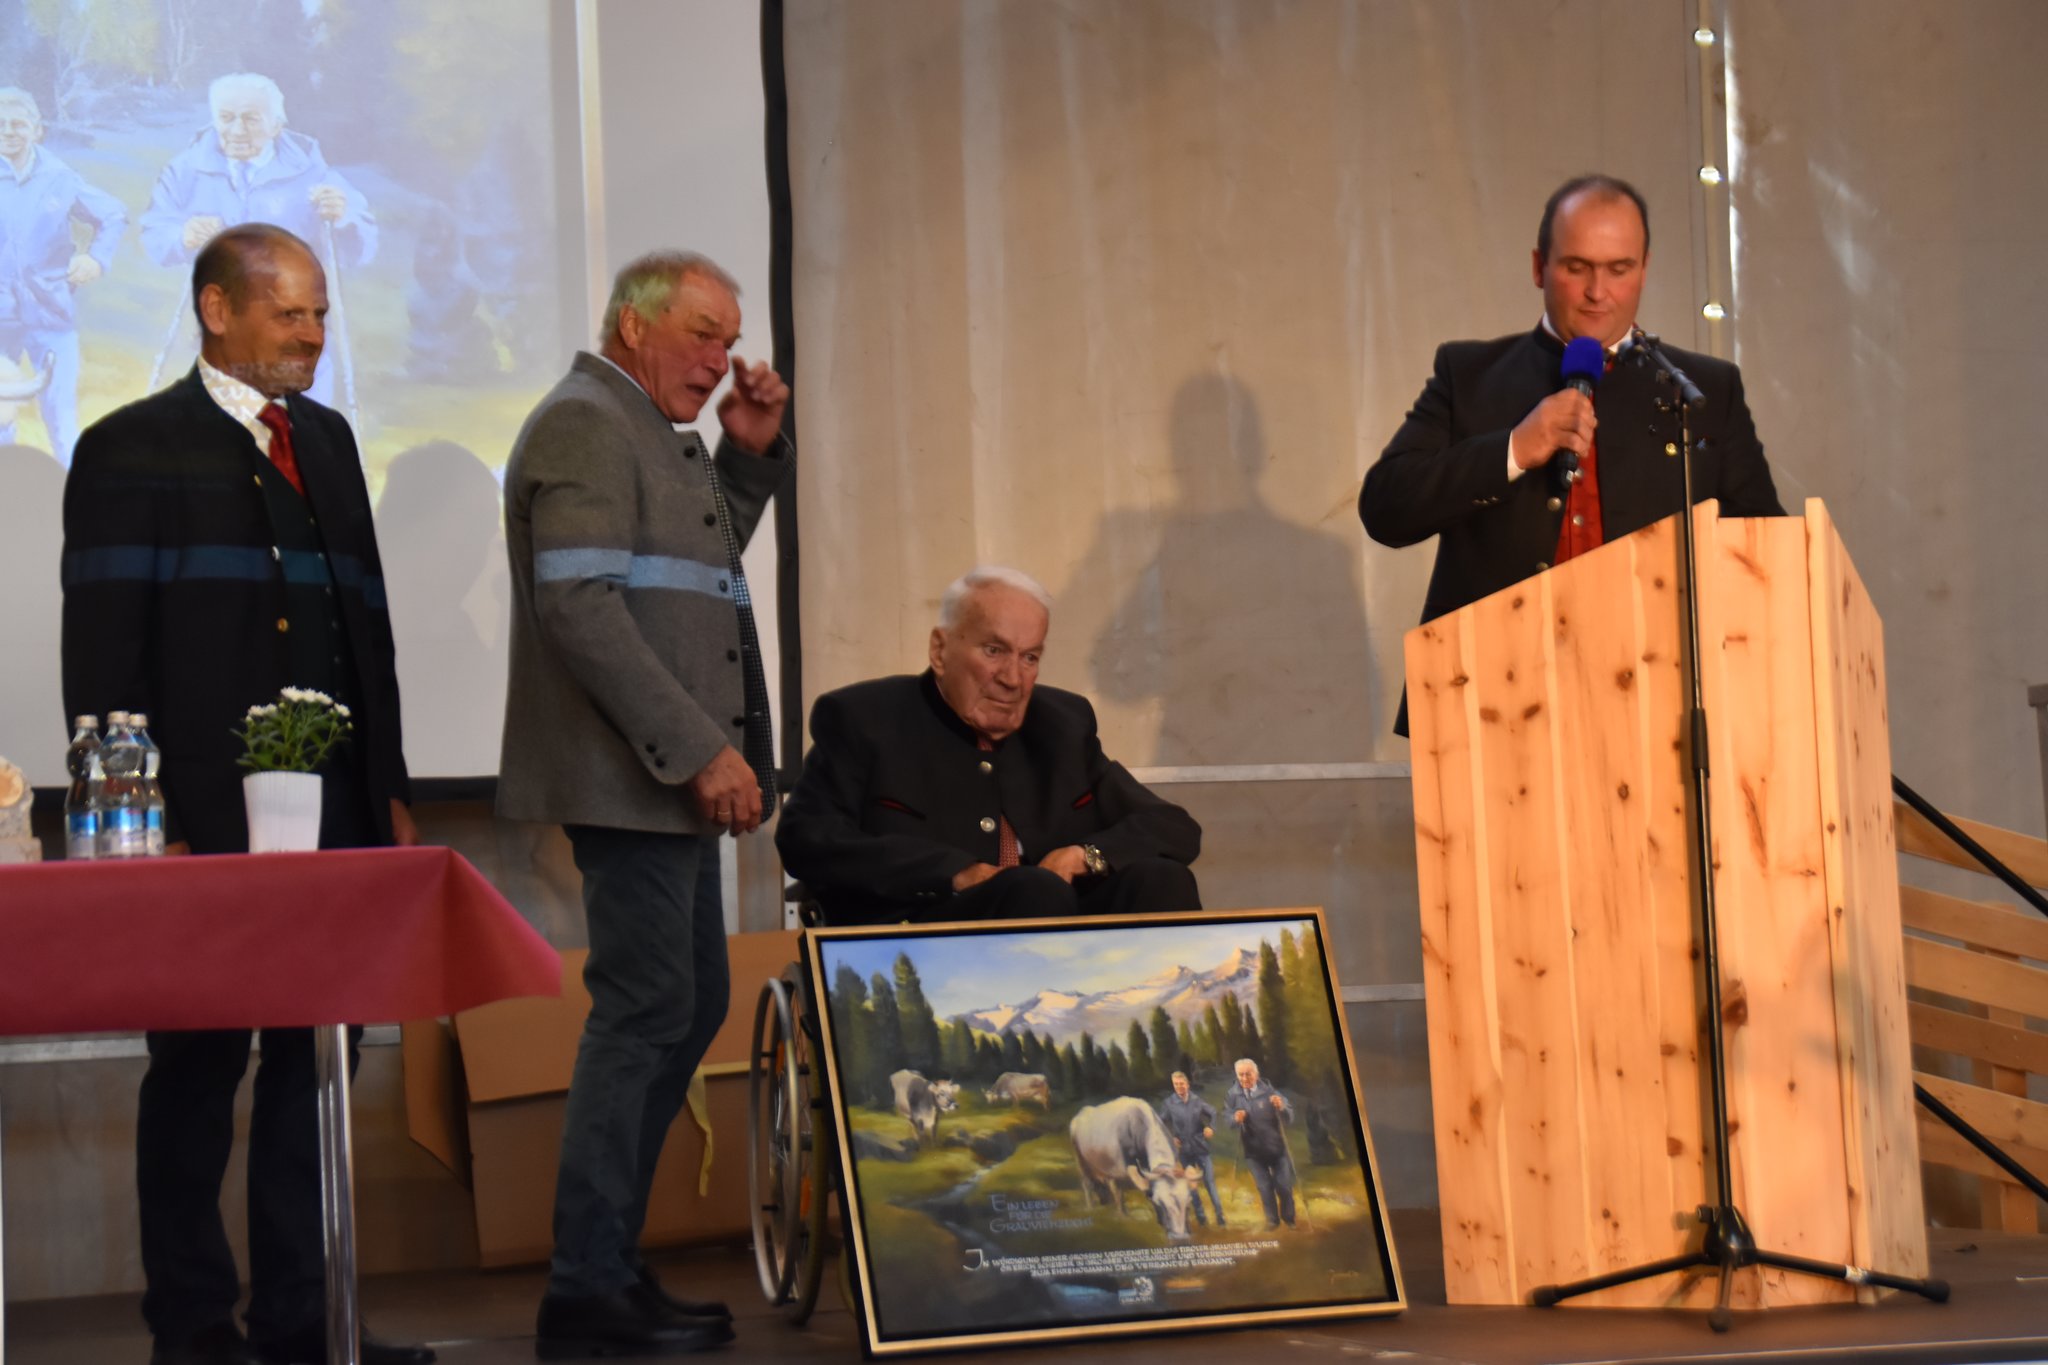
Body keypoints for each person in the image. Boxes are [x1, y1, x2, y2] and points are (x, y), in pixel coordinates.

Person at [59, 223, 425, 1365]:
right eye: (291, 314)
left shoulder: (328, 437)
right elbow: (104, 655)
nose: (314, 335)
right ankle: (191, 1329)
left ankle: (303, 1324)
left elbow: (366, 631)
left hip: (339, 823)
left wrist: (392, 790)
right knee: (199, 1068)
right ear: (218, 310)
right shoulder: (129, 447)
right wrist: (132, 821)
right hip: (198, 829)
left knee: (317, 1065)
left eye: (321, 314)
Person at [498, 249, 790, 1358]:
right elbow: (578, 606)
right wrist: (698, 749)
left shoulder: (642, 430)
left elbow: (687, 577)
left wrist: (747, 464)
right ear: (631, 324)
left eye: (727, 340)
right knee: (643, 1014)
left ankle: (608, 1268)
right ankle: (583, 1292)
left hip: (656, 781)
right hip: (629, 778)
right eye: (701, 335)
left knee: (682, 1005)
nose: (721, 362)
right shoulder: (584, 421)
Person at [1360, 173, 1784, 733]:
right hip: (1488, 704)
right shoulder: (1469, 374)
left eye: (1618, 269)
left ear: (1644, 270)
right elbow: (1386, 509)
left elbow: (1768, 554)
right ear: (1540, 266)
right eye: (1577, 267)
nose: (1597, 292)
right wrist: (1513, 449)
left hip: (1658, 706)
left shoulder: (1702, 390)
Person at [776, 566, 1204, 924]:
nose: (1013, 678)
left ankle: (1162, 1019)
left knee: (1161, 880)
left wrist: (1084, 856)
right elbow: (806, 839)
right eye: (994, 650)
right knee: (1032, 889)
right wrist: (956, 872)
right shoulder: (865, 719)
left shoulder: (1063, 724)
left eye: (1030, 657)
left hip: (1061, 935)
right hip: (924, 939)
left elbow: (1173, 827)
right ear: (940, 651)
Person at [140, 73, 375, 407]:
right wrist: (181, 234)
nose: (237, 130)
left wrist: (344, 215)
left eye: (251, 119)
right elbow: (154, 233)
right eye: (226, 118)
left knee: (299, 437)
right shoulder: (186, 170)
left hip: (294, 333)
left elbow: (361, 247)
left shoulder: (310, 170)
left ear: (276, 125)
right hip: (222, 335)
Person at [0, 86, 126, 466]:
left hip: (51, 313)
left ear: (37, 129)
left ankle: (74, 508)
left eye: (18, 124)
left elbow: (114, 215)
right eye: (1, 124)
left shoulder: (59, 177)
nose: (8, 131)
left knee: (61, 421)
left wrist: (96, 259)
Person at [1224, 1058, 1296, 1230]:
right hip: (1253, 1151)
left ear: (1256, 1074)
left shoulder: (1270, 1091)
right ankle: (1272, 1221)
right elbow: (1227, 1118)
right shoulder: (1233, 1095)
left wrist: (1282, 1107)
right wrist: (1235, 1118)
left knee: (1284, 1186)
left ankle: (1289, 1219)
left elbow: (1289, 1117)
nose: (1244, 1078)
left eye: (1248, 1074)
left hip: (1276, 1148)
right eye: (1240, 1075)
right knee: (1264, 1187)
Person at [1158, 1070, 1224, 1227]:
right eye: (1175, 1084)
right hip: (1185, 1152)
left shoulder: (1197, 1101)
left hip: (1201, 1149)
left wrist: (1211, 1128)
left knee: (1209, 1183)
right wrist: (1171, 1137)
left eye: (1181, 1084)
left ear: (1187, 1084)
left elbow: (1213, 1112)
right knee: (1192, 1185)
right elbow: (1161, 1123)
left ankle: (1220, 1215)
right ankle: (1201, 1216)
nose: (1179, 1087)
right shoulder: (1169, 1103)